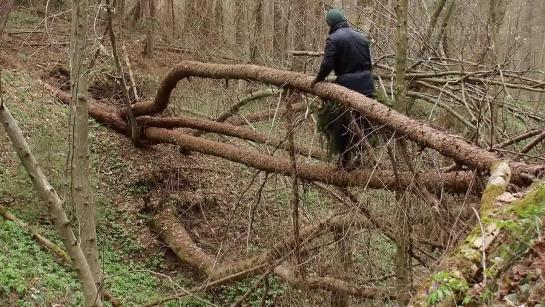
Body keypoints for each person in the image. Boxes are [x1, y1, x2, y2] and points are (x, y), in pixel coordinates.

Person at [312, 8, 375, 170]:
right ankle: (362, 155)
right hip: (368, 84)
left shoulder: (333, 38)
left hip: (348, 87)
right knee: (363, 122)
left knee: (342, 124)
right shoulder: (361, 37)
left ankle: (344, 159)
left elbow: (327, 65)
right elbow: (368, 62)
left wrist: (317, 80)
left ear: (330, 23)